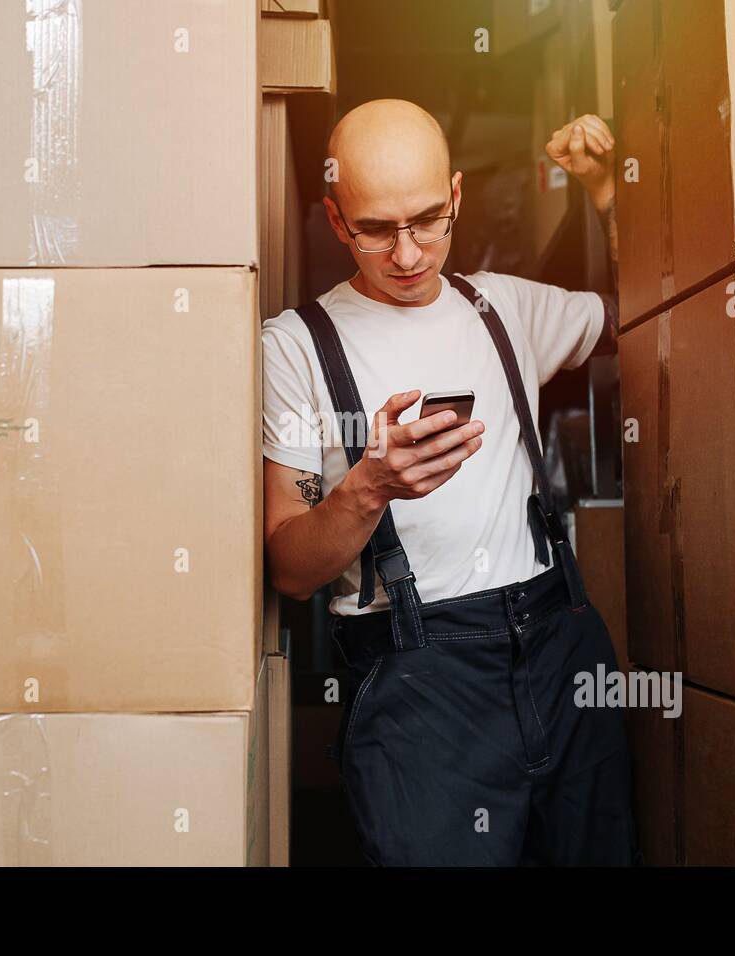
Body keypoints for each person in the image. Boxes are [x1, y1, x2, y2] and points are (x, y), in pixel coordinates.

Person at [261, 98, 637, 866]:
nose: (407, 254)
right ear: (336, 221)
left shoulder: (504, 307)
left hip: (561, 648)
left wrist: (607, 197)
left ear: (457, 197)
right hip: (420, 688)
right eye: (375, 229)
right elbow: (292, 571)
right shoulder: (295, 347)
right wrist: (369, 488)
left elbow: (657, 312)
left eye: (429, 220)